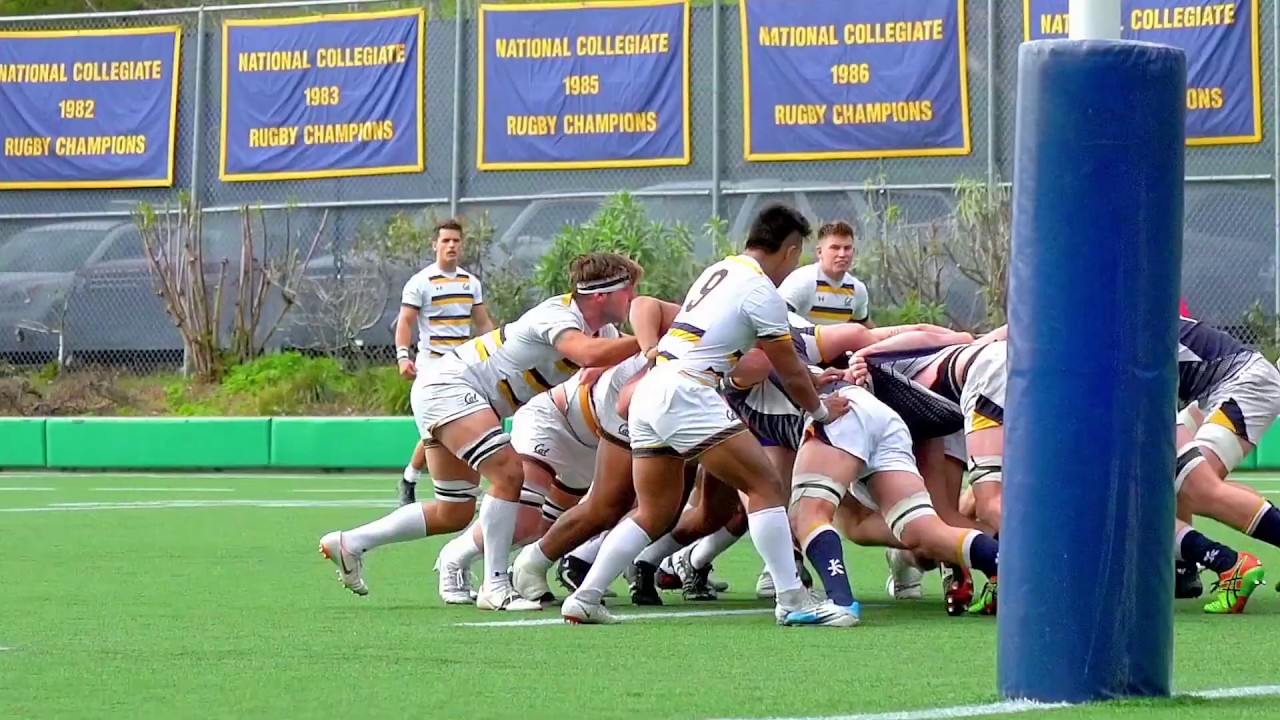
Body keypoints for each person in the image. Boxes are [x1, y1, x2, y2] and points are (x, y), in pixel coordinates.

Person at [560, 203, 851, 626]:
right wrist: (820, 412)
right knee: (767, 485)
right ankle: (792, 600)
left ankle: (587, 596)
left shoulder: (720, 270)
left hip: (652, 390)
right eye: (799, 254)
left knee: (654, 511)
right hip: (686, 391)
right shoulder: (761, 291)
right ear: (790, 250)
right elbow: (785, 365)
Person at [319, 253, 641, 611]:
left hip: (454, 392)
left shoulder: (605, 331)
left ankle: (350, 542)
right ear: (602, 294)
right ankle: (496, 586)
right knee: (508, 473)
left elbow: (610, 355)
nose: (635, 297)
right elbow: (588, 353)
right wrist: (650, 337)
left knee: (453, 513)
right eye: (630, 289)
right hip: (451, 386)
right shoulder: (560, 315)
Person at [394, 218, 494, 506]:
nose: (451, 246)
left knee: (473, 423)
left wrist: (495, 355)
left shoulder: (470, 283)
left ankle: (419, 480)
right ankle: (409, 480)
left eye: (456, 241)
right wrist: (403, 357)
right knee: (434, 428)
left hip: (464, 365)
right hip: (431, 365)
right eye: (446, 241)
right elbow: (406, 322)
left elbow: (483, 322)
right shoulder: (420, 282)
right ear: (434, 244)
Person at [777, 221, 873, 328]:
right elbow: (775, 316)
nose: (842, 254)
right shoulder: (803, 280)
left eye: (847, 248)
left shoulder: (858, 290)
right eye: (835, 248)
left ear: (854, 252)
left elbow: (864, 326)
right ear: (819, 252)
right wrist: (816, 333)